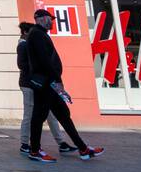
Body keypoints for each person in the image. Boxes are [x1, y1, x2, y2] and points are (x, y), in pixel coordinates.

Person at [25, 9, 104, 163]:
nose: (52, 21)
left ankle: (83, 148)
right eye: (50, 18)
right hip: (45, 84)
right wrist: (57, 79)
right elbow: (44, 60)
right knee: (38, 116)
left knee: (63, 114)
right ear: (40, 19)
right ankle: (34, 150)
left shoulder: (40, 34)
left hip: (49, 83)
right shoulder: (37, 34)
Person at [17, 22, 75, 156]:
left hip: (42, 84)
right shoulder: (23, 45)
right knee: (30, 114)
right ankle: (25, 144)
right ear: (26, 33)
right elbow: (22, 65)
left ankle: (61, 143)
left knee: (51, 114)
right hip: (29, 85)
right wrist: (37, 71)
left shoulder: (31, 44)